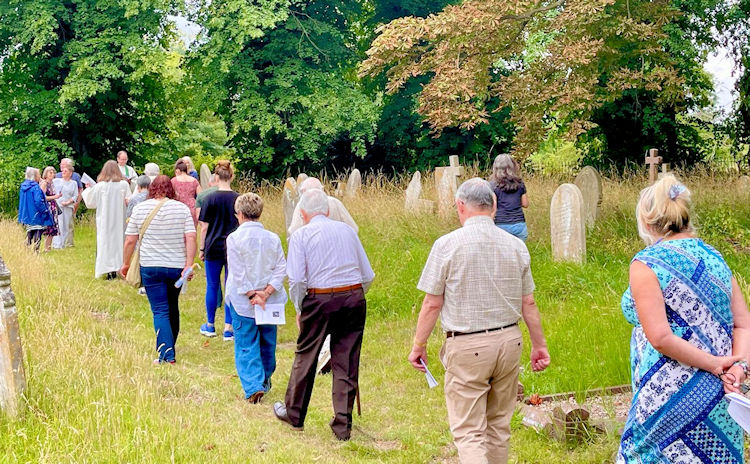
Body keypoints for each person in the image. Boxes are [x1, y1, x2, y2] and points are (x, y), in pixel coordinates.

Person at [408, 178, 550, 464]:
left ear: (460, 205)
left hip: (467, 345)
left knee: (469, 431)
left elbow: (432, 302)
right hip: (509, 342)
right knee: (499, 426)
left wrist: (419, 345)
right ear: (493, 205)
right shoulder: (516, 245)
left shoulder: (446, 245)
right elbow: (529, 302)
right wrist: (539, 345)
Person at [616, 174, 750, 463]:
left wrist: (715, 364)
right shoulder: (715, 257)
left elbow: (661, 338)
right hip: (721, 390)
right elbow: (743, 323)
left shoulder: (646, 263)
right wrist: (738, 367)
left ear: (647, 222)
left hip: (669, 391)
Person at [273, 189, 375, 442]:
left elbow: (297, 279)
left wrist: (300, 307)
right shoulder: (348, 231)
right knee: (346, 358)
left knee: (306, 354)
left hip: (319, 298)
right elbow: (367, 275)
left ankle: (294, 414)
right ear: (327, 210)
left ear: (302, 213)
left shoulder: (300, 235)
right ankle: (343, 424)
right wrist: (352, 294)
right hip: (352, 295)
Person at [121, 175, 196, 365]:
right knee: (172, 306)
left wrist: (125, 263)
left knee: (160, 310)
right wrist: (188, 264)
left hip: (151, 265)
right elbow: (191, 237)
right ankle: (170, 344)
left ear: (151, 189)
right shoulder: (182, 209)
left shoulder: (140, 208)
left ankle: (166, 354)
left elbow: (130, 240)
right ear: (171, 189)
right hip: (176, 266)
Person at [226, 193, 287, 403]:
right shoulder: (273, 238)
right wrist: (267, 292)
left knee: (246, 342)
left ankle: (253, 385)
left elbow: (238, 272)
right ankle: (265, 378)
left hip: (244, 301)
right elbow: (281, 267)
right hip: (269, 300)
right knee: (268, 341)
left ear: (239, 214)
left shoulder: (234, 239)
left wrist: (252, 294)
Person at [198, 161, 238, 340]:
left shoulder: (209, 199)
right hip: (233, 247)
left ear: (216, 177)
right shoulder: (238, 199)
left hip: (213, 245)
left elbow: (204, 227)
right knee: (231, 285)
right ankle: (229, 327)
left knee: (212, 285)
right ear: (231, 176)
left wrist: (202, 248)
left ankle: (210, 324)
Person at [82, 160, 131, 279]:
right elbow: (129, 200)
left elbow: (91, 203)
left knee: (106, 243)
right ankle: (119, 267)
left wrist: (88, 189)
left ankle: (108, 270)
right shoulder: (123, 185)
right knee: (119, 242)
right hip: (119, 220)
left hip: (105, 220)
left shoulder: (100, 186)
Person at [287, 177, 358, 238]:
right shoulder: (335, 202)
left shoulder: (301, 205)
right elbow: (353, 228)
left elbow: (294, 232)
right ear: (322, 189)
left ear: (304, 191)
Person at [488, 154, 529, 241]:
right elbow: (525, 204)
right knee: (519, 249)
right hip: (519, 225)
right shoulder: (520, 183)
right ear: (513, 166)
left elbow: (493, 207)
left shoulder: (492, 185)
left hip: (501, 225)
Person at [18, 167, 54, 253]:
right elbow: (38, 201)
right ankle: (36, 251)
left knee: (30, 231)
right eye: (38, 174)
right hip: (36, 213)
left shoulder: (23, 187)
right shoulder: (35, 187)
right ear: (34, 176)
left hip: (26, 214)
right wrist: (44, 210)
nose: (40, 176)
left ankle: (26, 250)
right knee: (38, 230)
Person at [52, 161, 80, 249]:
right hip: (59, 205)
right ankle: (56, 244)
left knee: (66, 225)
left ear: (70, 173)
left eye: (65, 171)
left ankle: (63, 243)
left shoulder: (73, 183)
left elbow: (75, 195)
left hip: (68, 206)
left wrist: (68, 202)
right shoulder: (56, 181)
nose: (63, 173)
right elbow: (47, 182)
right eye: (63, 171)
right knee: (59, 224)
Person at [171, 160, 201, 225]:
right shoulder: (194, 181)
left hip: (178, 208)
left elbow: (170, 195)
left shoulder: (173, 181)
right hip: (192, 207)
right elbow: (200, 196)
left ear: (178, 170)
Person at [39, 166, 62, 252]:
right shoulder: (44, 184)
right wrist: (54, 197)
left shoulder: (52, 183)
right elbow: (42, 197)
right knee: (48, 228)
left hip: (53, 207)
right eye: (50, 173)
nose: (52, 174)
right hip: (48, 207)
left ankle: (48, 247)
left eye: (53, 173)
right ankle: (46, 247)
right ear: (46, 174)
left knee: (53, 227)